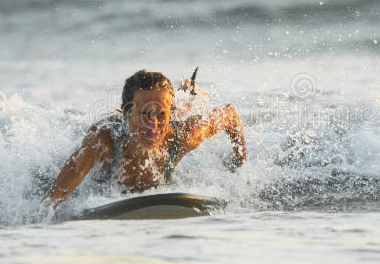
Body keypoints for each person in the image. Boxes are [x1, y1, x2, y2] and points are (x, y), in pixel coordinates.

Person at [45, 69, 247, 208]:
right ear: (125, 113)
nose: (153, 126)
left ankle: (189, 92)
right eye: (144, 115)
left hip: (172, 115)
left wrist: (239, 165)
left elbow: (230, 114)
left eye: (160, 117)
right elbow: (50, 201)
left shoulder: (183, 137)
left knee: (184, 106)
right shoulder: (101, 141)